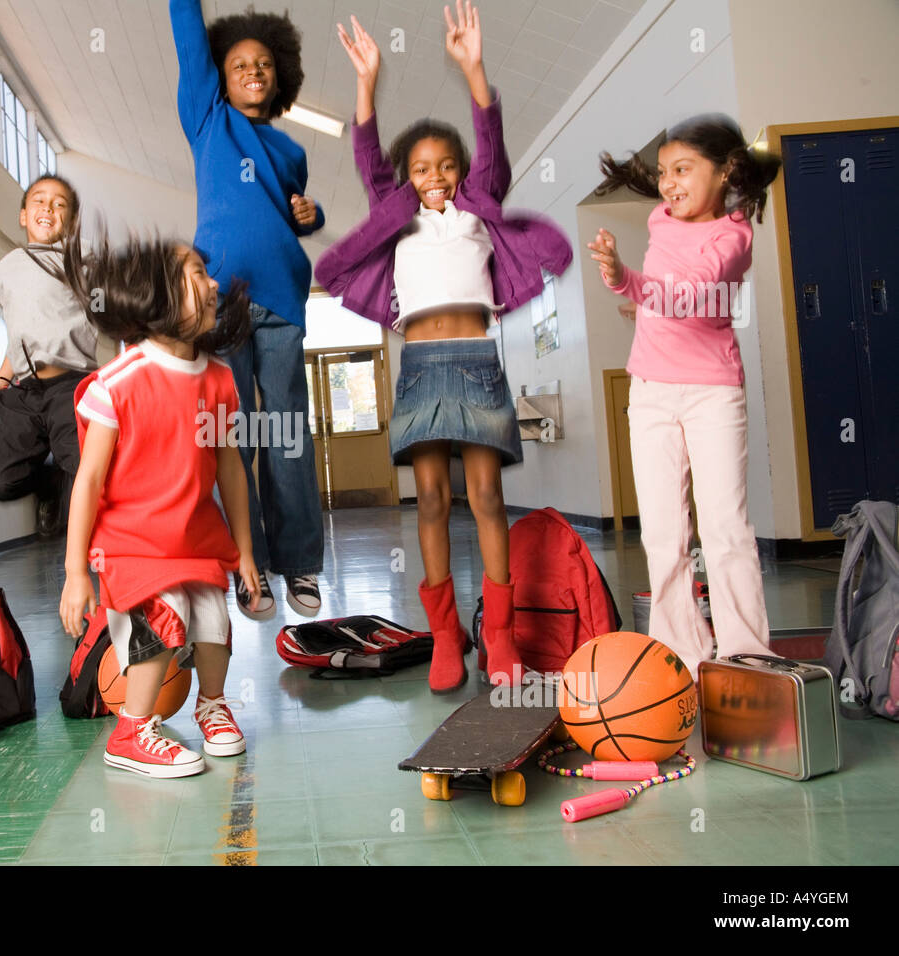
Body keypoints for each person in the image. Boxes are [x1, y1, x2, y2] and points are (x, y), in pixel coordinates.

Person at [315, 3, 572, 689]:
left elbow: (492, 140)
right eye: (421, 168)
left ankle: (502, 636)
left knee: (485, 498)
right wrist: (367, 81)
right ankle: (446, 639)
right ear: (406, 176)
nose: (435, 176)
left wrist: (473, 67)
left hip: (478, 361)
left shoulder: (477, 209)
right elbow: (367, 158)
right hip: (421, 367)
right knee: (430, 500)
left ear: (461, 171)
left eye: (446, 165)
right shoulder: (395, 221)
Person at [57, 230, 259, 778]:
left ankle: (213, 706)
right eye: (196, 272)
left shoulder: (219, 379)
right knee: (166, 616)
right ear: (157, 294)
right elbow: (90, 478)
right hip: (131, 545)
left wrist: (244, 552)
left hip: (196, 539)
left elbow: (230, 468)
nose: (212, 281)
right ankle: (131, 732)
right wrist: (77, 572)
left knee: (214, 622)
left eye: (207, 271)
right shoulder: (117, 381)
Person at [589, 112, 782, 678]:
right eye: (664, 171)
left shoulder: (734, 236)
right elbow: (661, 296)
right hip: (649, 392)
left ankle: (747, 656)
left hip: (711, 395)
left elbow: (691, 296)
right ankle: (683, 658)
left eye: (683, 169)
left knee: (725, 530)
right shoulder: (658, 219)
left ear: (725, 172)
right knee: (663, 536)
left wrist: (628, 281)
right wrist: (628, 285)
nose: (669, 182)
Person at [169, 0, 326, 620]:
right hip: (222, 306)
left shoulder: (290, 151)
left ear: (278, 76)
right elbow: (188, 41)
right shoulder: (208, 118)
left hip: (284, 302)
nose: (253, 70)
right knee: (234, 438)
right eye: (239, 64)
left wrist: (313, 216)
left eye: (264, 63)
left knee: (286, 434)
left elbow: (290, 213)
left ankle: (301, 565)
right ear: (222, 76)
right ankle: (245, 562)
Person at [0, 175, 96, 536]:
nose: (48, 208)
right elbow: (20, 332)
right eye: (39, 201)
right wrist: (0, 380)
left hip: (71, 387)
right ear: (24, 215)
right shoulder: (7, 266)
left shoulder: (83, 256)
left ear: (70, 221)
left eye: (60, 204)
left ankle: (86, 560)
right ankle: (52, 478)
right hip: (25, 391)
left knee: (86, 480)